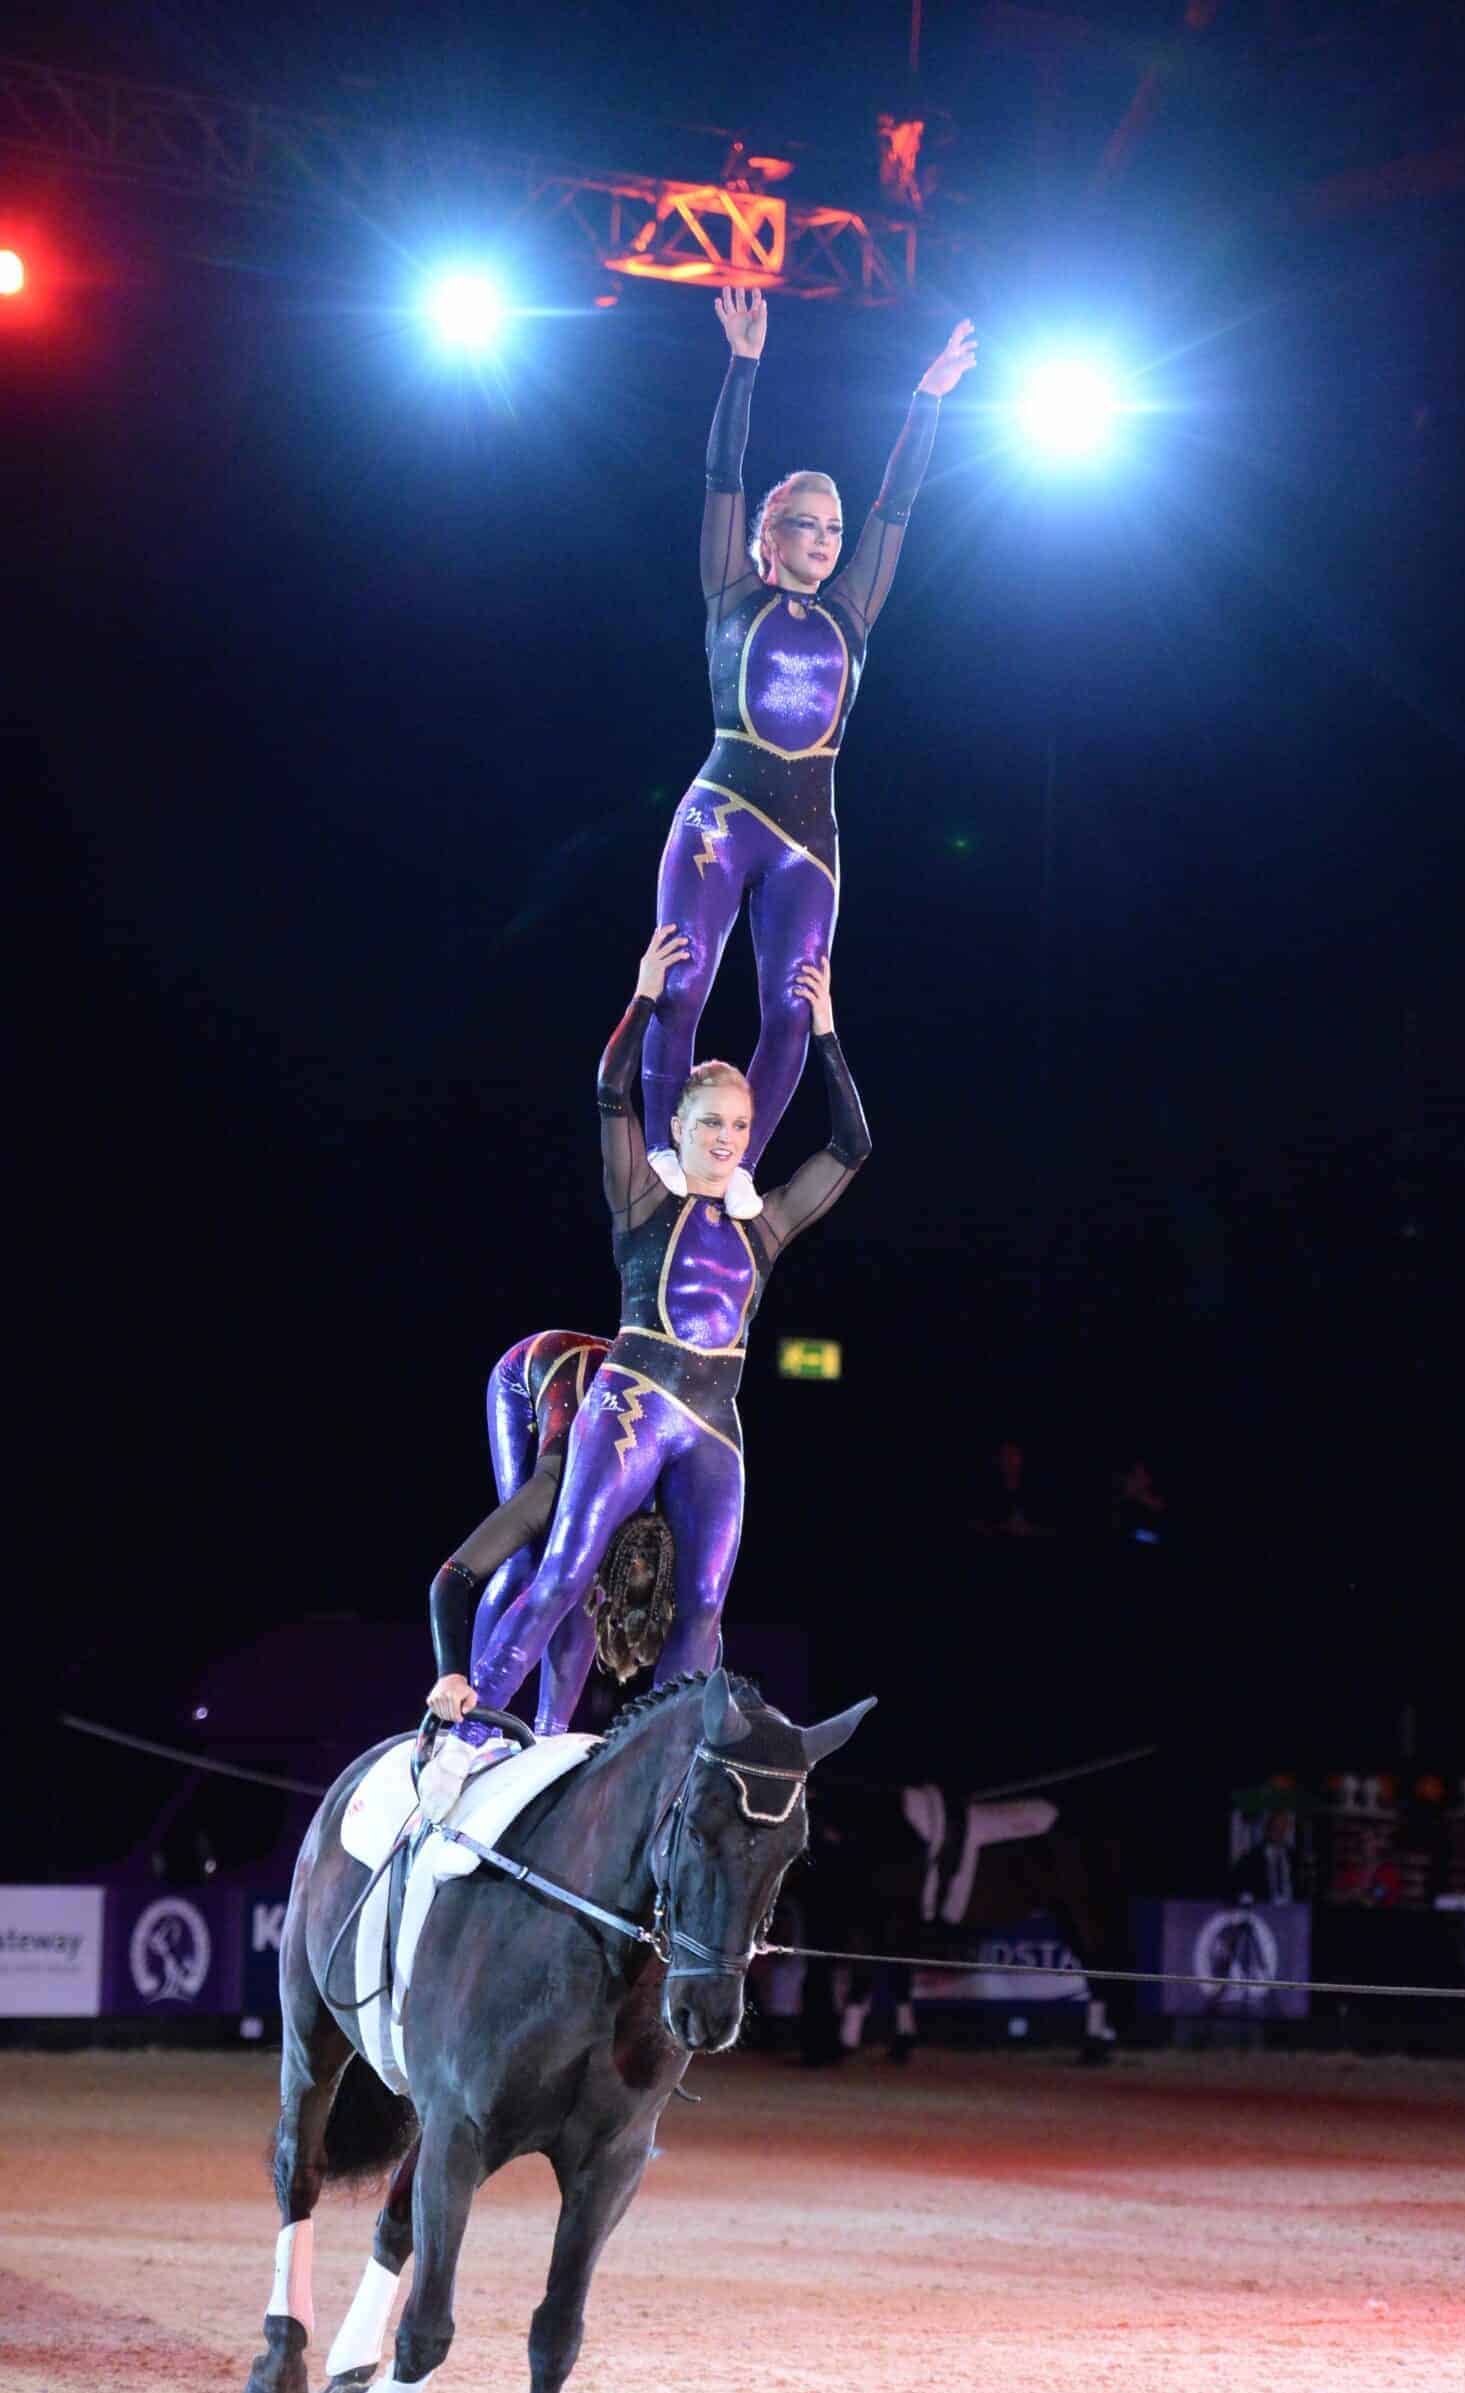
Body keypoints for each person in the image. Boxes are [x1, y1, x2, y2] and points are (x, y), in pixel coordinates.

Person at [430, 921, 870, 1737]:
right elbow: (609, 1090)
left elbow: (852, 1146)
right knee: (564, 1574)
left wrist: (827, 1033)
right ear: (683, 1127)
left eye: (738, 1128)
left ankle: (660, 1769)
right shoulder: (643, 1200)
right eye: (711, 1124)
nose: (727, 1141)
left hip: (715, 1423)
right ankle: (470, 1737)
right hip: (632, 1399)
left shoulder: (762, 1226)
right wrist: (640, 994)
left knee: (703, 1607)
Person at [642, 286, 974, 1208]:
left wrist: (928, 399)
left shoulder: (854, 611)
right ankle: (672, 1147)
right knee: (686, 974)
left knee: (797, 1006)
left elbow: (896, 505)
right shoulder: (730, 595)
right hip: (722, 813)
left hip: (809, 839)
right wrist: (743, 365)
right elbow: (721, 475)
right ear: (768, 536)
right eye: (806, 524)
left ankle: (738, 1170)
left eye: (833, 528)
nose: (827, 540)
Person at [425, 1332, 677, 1738]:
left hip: (617, 1394)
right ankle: (474, 1724)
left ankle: (550, 1732)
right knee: (528, 1560)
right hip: (529, 1372)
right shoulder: (551, 1489)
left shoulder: (662, 1532)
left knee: (575, 1583)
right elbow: (451, 1579)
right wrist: (450, 1675)